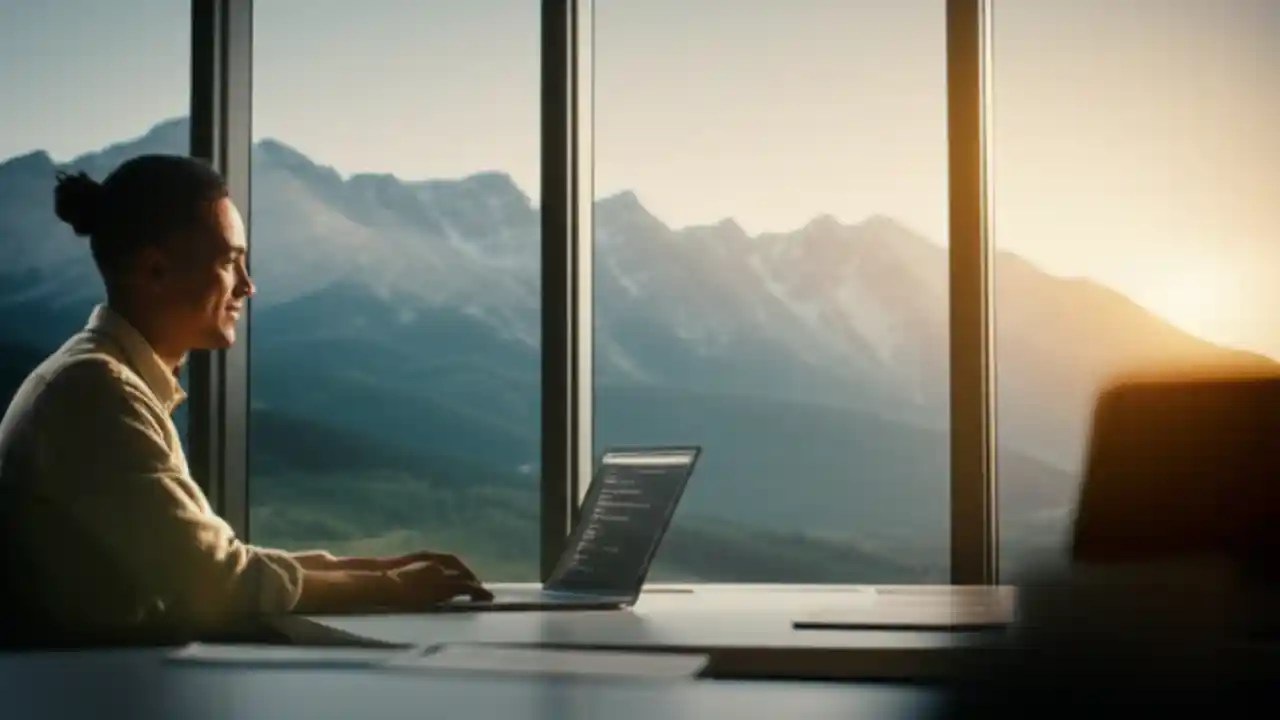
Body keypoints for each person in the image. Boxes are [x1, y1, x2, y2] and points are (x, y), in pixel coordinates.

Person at [0, 154, 492, 644]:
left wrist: (360, 567)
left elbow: (201, 558)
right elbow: (215, 582)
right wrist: (386, 588)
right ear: (155, 270)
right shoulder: (97, 393)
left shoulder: (99, 376)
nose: (247, 286)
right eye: (230, 262)